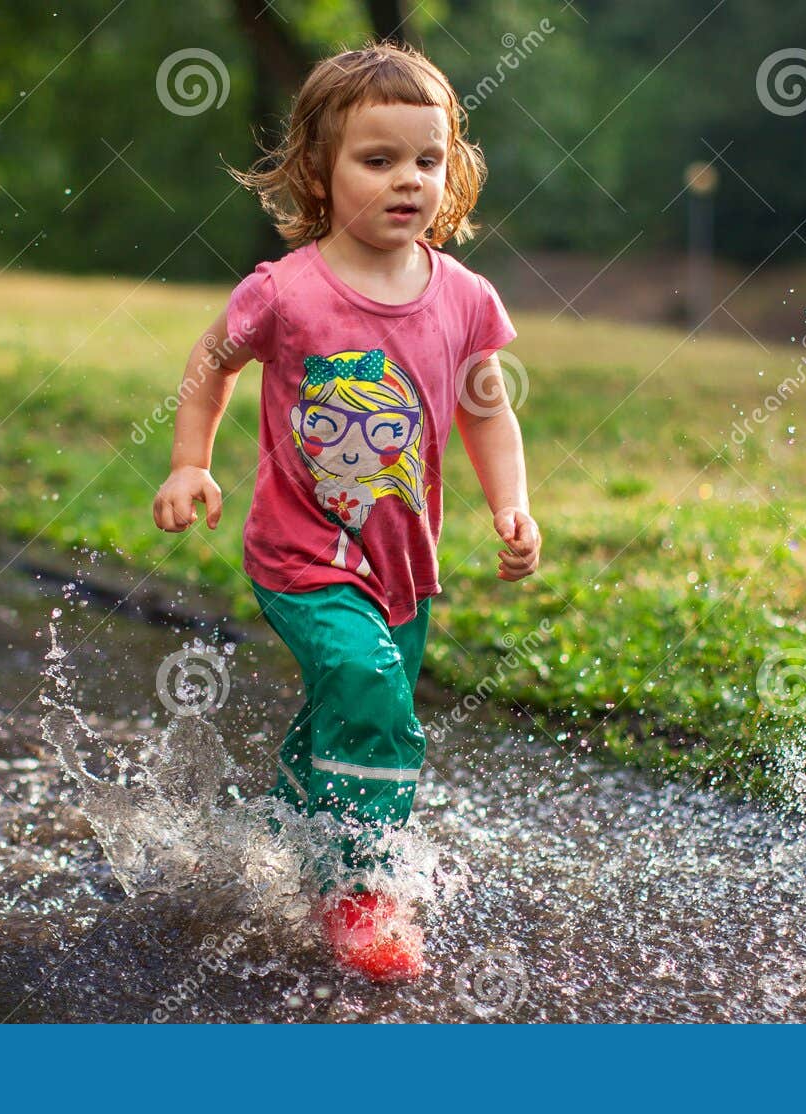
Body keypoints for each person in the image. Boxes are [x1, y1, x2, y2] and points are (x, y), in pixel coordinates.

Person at [151, 39, 540, 982]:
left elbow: (488, 409)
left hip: (402, 566)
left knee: (350, 703)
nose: (408, 180)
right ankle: (358, 890)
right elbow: (211, 363)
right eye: (378, 159)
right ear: (318, 173)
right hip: (301, 556)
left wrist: (513, 505)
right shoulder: (286, 291)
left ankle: (276, 835)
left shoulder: (465, 297)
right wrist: (189, 464)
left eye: (427, 159)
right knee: (371, 692)